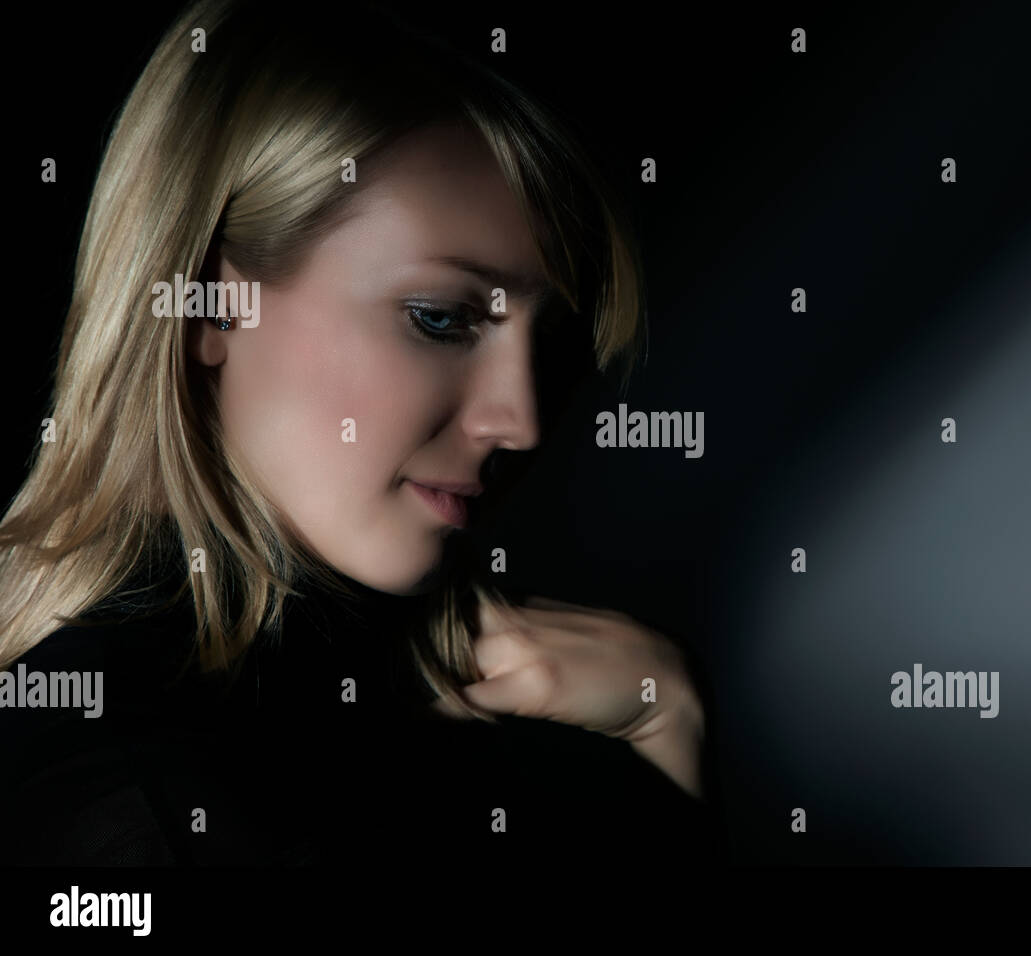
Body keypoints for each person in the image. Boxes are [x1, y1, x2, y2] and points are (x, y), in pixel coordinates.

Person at [0, 0, 722, 865]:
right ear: (208, 304)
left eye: (549, 342)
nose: (519, 422)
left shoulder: (410, 731)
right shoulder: (127, 797)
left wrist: (663, 729)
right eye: (440, 318)